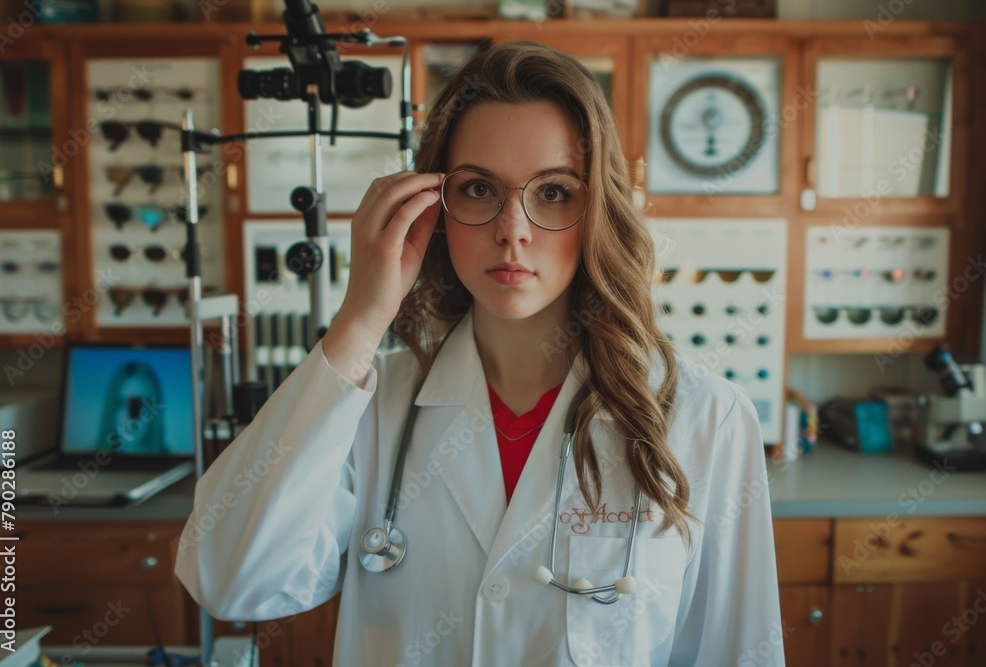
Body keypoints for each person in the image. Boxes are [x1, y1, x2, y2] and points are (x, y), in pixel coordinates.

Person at [174, 41, 784, 666]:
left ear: (597, 209)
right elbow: (229, 579)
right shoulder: (370, 406)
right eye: (478, 188)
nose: (512, 229)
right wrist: (359, 319)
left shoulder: (705, 419)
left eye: (553, 193)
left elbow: (738, 653)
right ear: (434, 209)